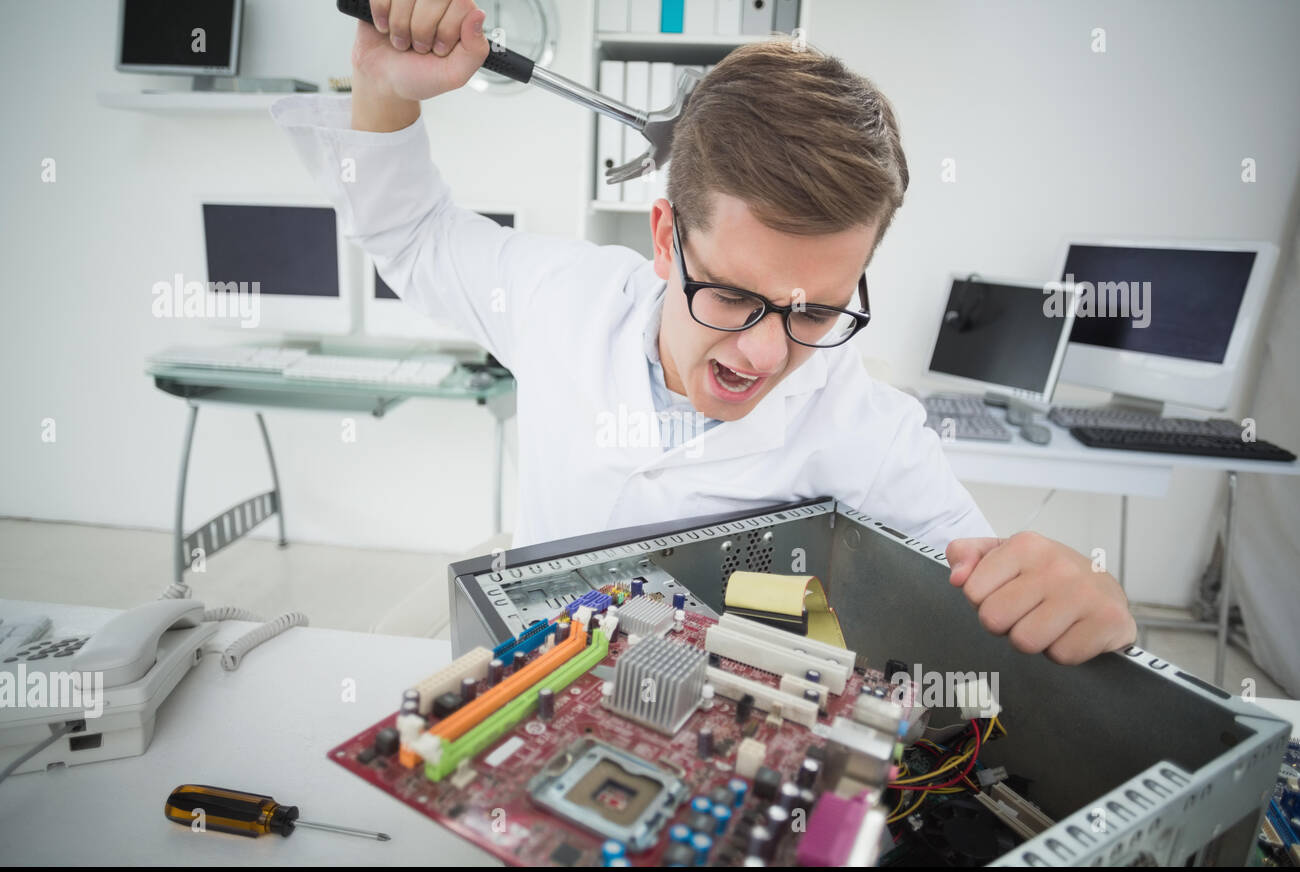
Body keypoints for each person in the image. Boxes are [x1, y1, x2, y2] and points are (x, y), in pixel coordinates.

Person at [272, 0, 1136, 665]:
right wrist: (381, 83)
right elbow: (415, 237)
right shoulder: (561, 298)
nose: (765, 354)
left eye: (815, 309)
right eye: (730, 294)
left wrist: (1078, 612)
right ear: (663, 238)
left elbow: (980, 617)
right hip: (540, 695)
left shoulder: (874, 440)